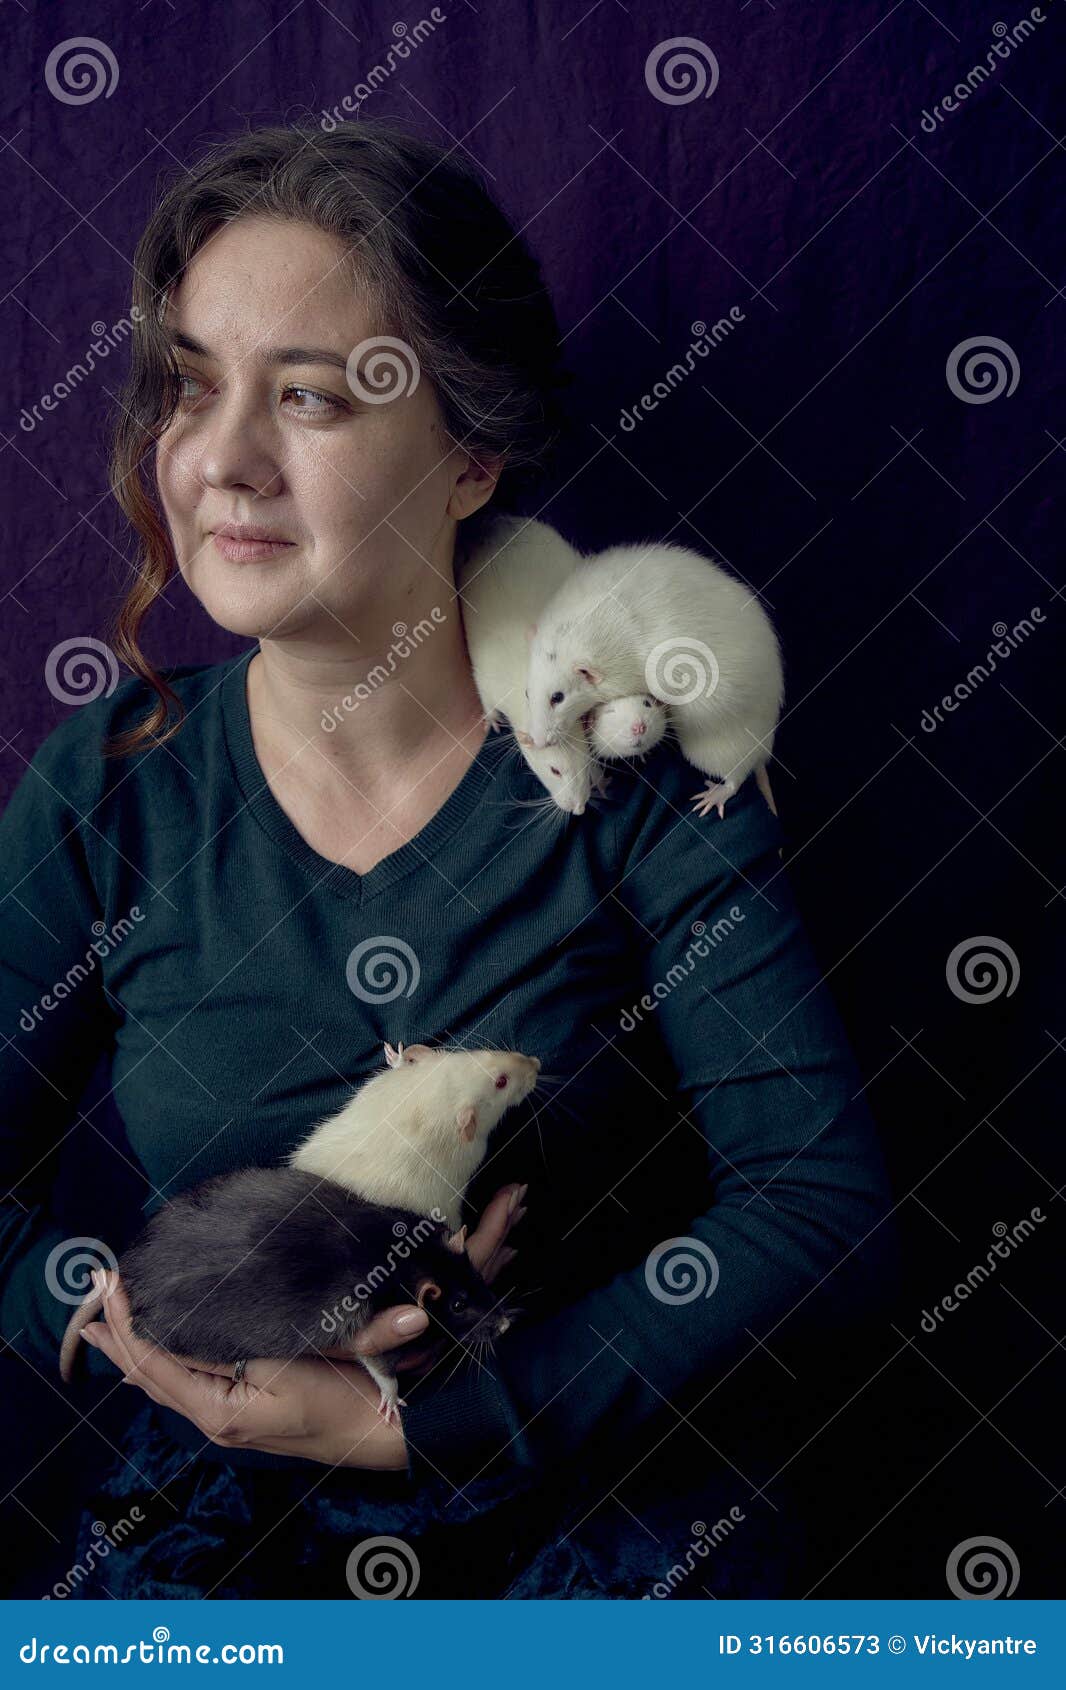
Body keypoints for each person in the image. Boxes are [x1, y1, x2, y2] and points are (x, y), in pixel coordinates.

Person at [0, 121, 895, 1599]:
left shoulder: (632, 775)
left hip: (603, 1501)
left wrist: (430, 1416)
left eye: (310, 398)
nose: (220, 460)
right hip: (231, 1516)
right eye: (189, 387)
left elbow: (820, 1212)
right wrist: (123, 1330)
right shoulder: (113, 785)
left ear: (469, 455)